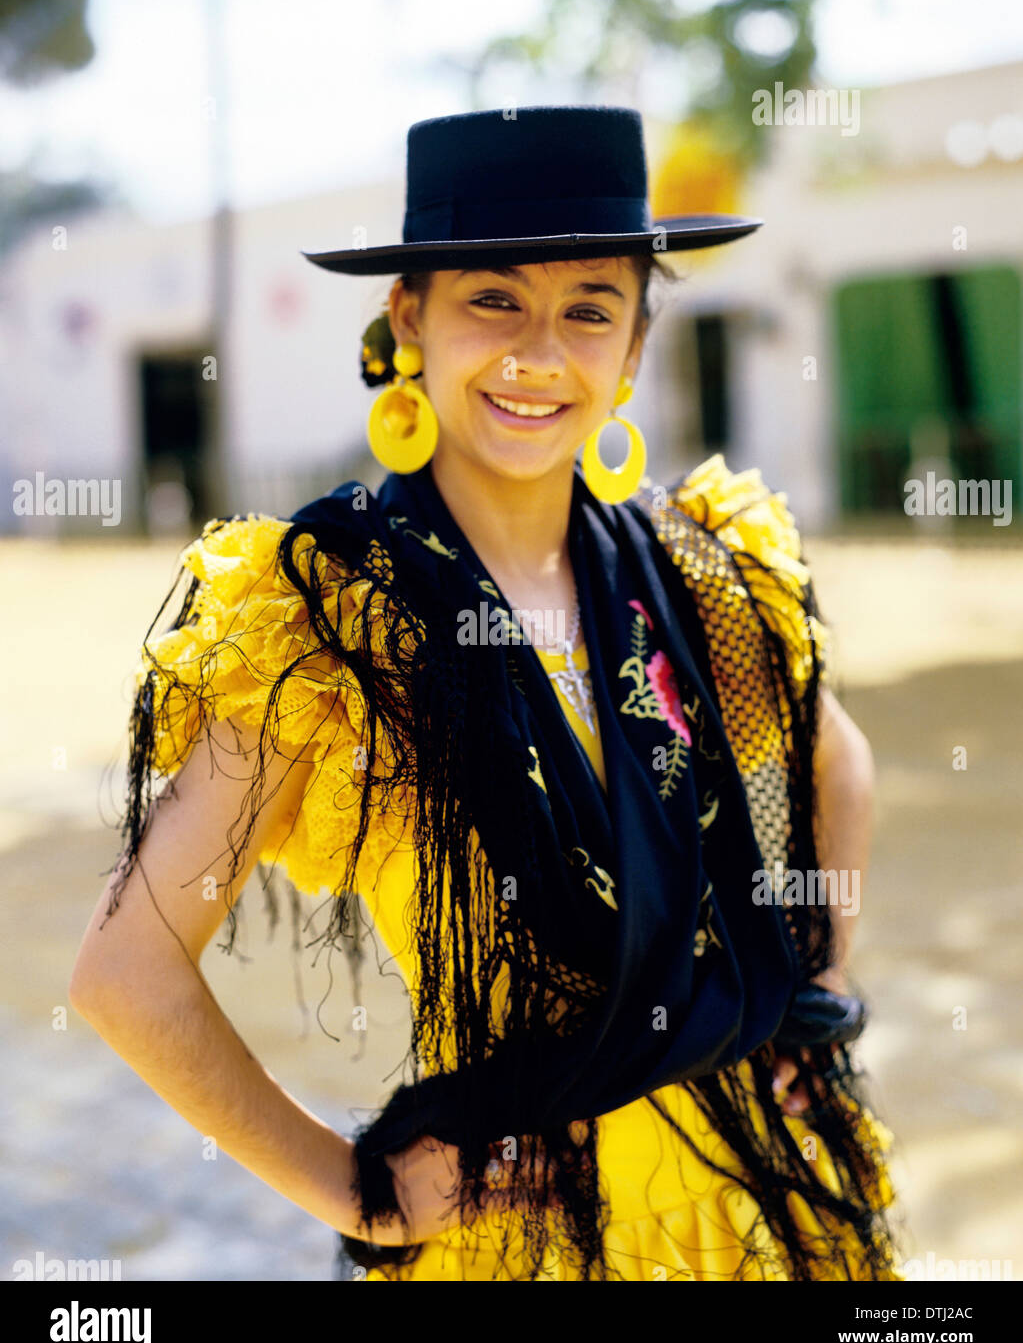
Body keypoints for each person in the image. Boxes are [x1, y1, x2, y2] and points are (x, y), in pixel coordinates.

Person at [70, 106, 904, 1282]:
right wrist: (352, 1184)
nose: (538, 353)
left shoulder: (697, 567)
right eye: (492, 301)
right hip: (527, 1238)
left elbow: (838, 762)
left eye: (589, 310)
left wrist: (812, 986)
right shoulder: (340, 624)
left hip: (751, 1200)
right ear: (409, 317)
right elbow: (124, 972)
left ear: (636, 348)